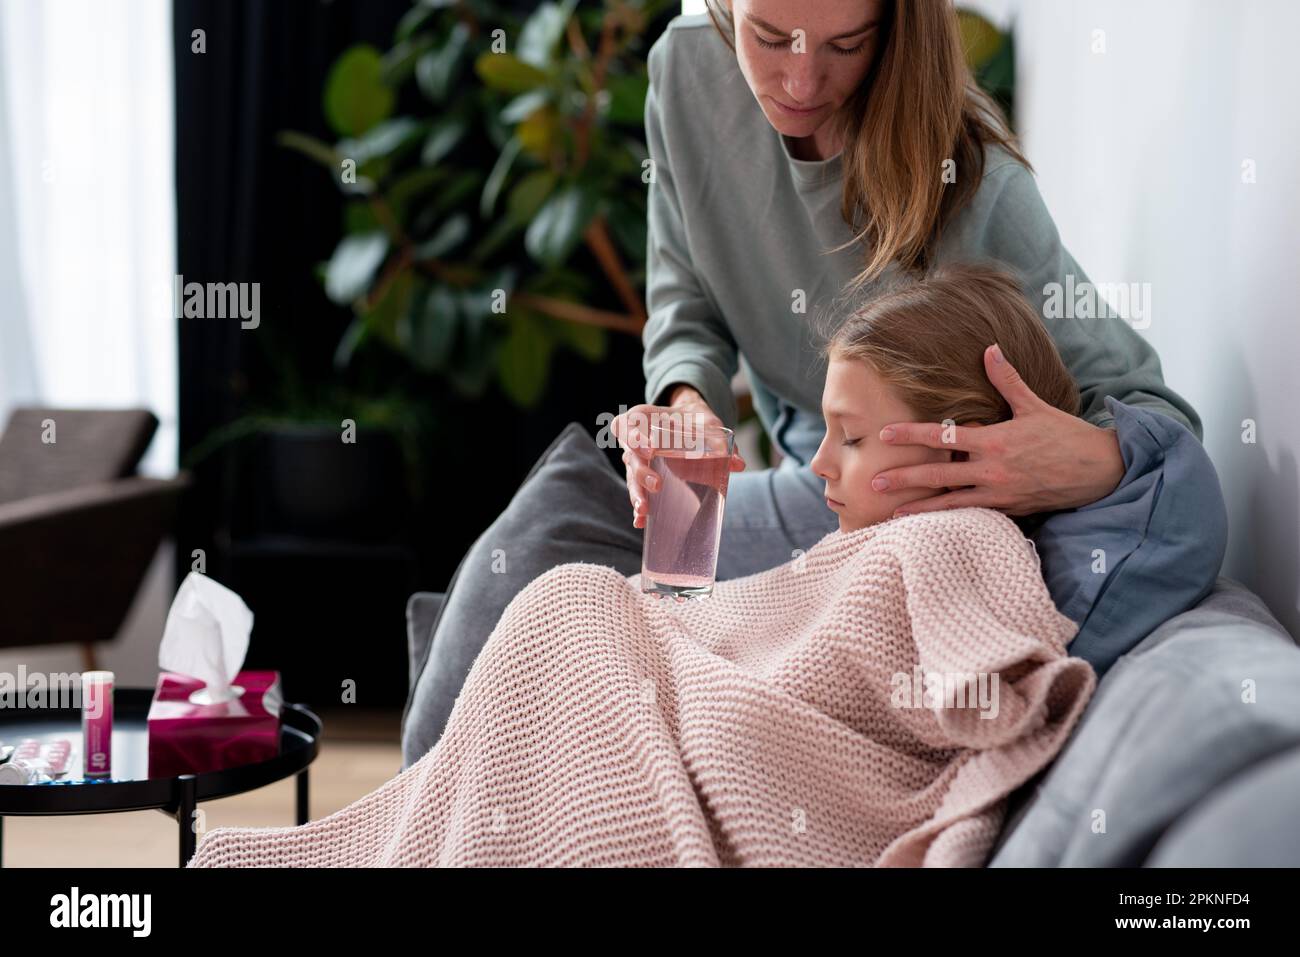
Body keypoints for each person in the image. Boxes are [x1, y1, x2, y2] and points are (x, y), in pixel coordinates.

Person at [402, 0, 1207, 761]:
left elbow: (1159, 425)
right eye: (768, 34)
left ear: (895, 26)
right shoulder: (686, 68)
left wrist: (1091, 457)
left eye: (845, 45)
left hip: (874, 509)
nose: (800, 82)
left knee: (596, 599)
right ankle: (427, 804)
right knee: (552, 526)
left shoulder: (980, 188)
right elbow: (685, 300)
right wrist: (691, 411)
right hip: (811, 471)